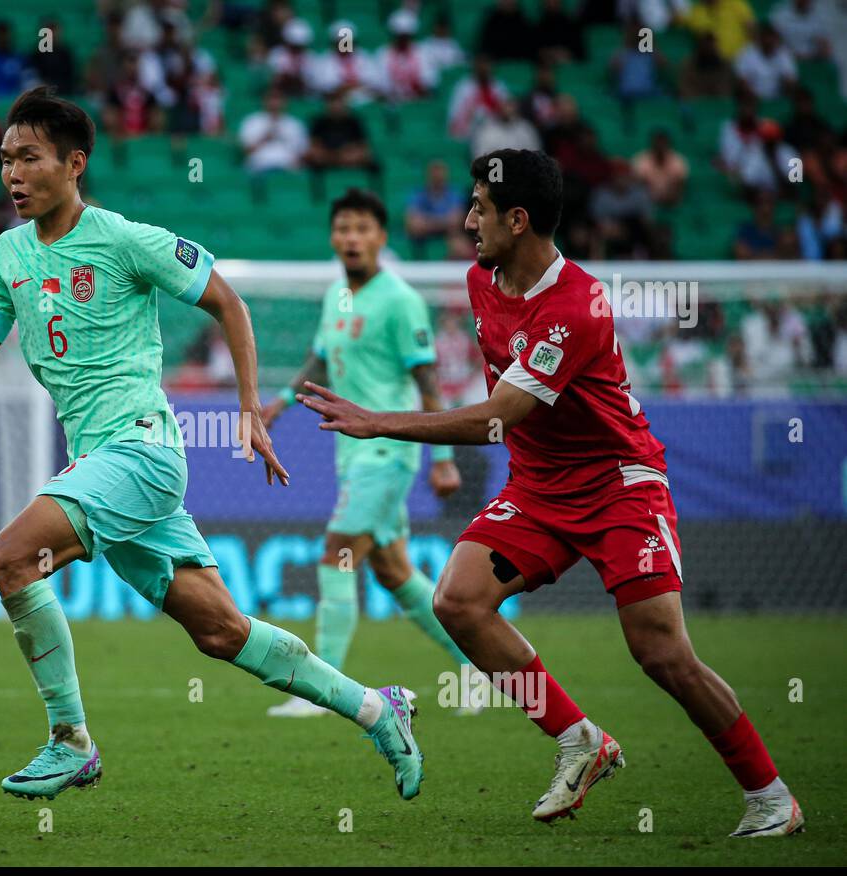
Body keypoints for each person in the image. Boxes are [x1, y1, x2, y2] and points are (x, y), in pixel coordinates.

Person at [0, 86, 425, 802]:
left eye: (29, 158)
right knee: (220, 631)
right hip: (100, 466)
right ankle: (376, 708)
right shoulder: (6, 255)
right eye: (4, 160)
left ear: (74, 163)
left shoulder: (123, 239)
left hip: (143, 450)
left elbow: (227, 301)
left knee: (11, 558)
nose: (12, 175)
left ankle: (70, 741)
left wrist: (250, 405)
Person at [296, 148, 803, 838]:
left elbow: (494, 417)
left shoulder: (577, 308)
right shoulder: (483, 282)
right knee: (459, 600)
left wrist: (377, 420)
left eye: (479, 207)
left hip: (619, 483)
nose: (468, 219)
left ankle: (770, 795)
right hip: (539, 487)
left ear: (519, 218)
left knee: (661, 654)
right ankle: (579, 740)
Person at [259, 189, 469, 719]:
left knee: (336, 553)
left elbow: (428, 380)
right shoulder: (337, 296)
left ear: (382, 237)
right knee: (395, 571)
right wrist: (280, 404)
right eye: (343, 228)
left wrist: (442, 458)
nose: (351, 238)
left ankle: (323, 691)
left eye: (362, 228)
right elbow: (322, 358)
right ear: (333, 236)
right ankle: (477, 668)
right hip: (351, 455)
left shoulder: (399, 299)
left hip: (389, 451)